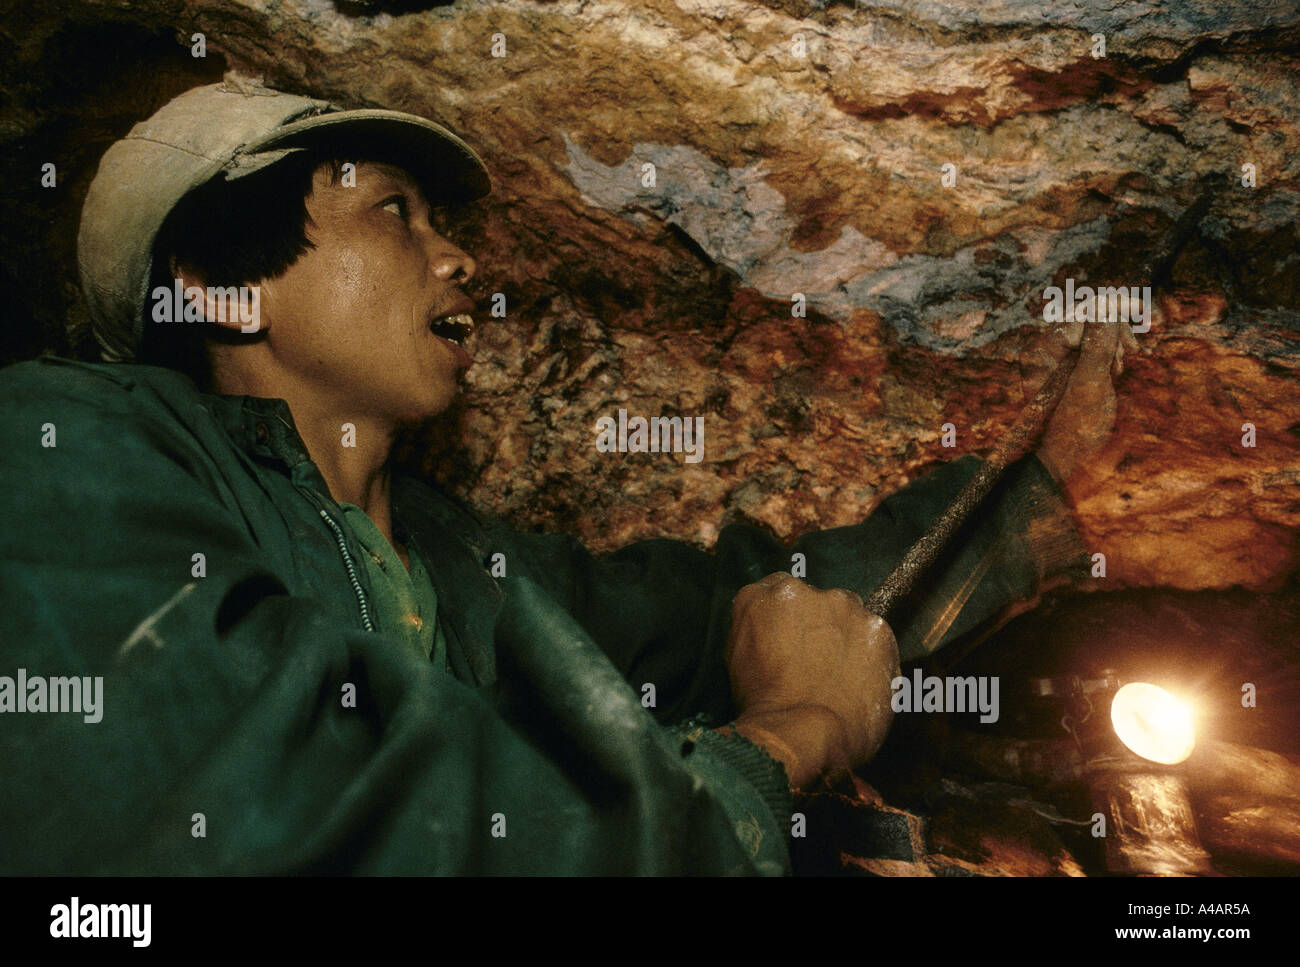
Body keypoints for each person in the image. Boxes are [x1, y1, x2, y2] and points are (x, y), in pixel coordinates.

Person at [0, 73, 1122, 875]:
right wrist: (784, 742)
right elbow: (259, 815)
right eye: (392, 211)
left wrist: (1035, 492)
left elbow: (748, 603)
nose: (460, 256)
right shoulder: (65, 442)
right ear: (216, 283)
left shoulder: (467, 561)